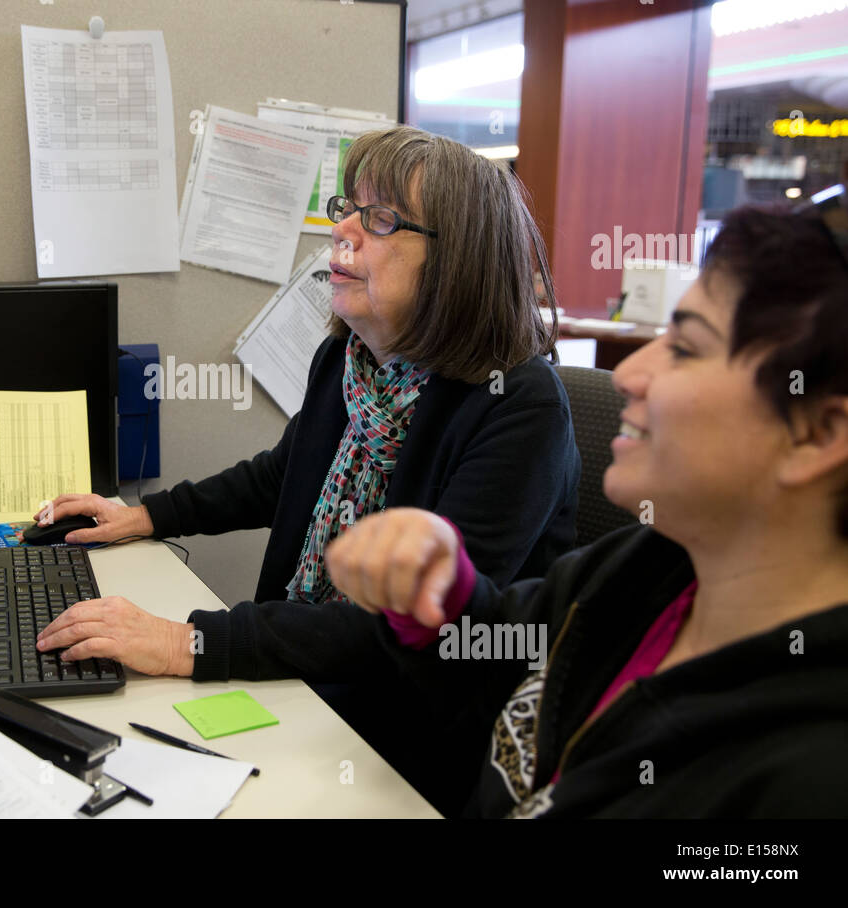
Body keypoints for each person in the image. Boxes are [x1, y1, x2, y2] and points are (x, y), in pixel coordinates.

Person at [36, 126, 581, 809]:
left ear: (458, 260)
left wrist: (190, 643)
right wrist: (147, 514)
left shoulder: (518, 406)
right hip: (308, 676)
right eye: (346, 206)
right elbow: (279, 477)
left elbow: (416, 624)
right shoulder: (349, 362)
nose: (342, 229)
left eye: (380, 218)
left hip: (414, 730)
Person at [321, 197, 848, 817]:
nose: (630, 373)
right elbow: (497, 669)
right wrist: (438, 594)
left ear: (817, 434)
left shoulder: (812, 774)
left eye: (685, 348)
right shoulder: (644, 567)